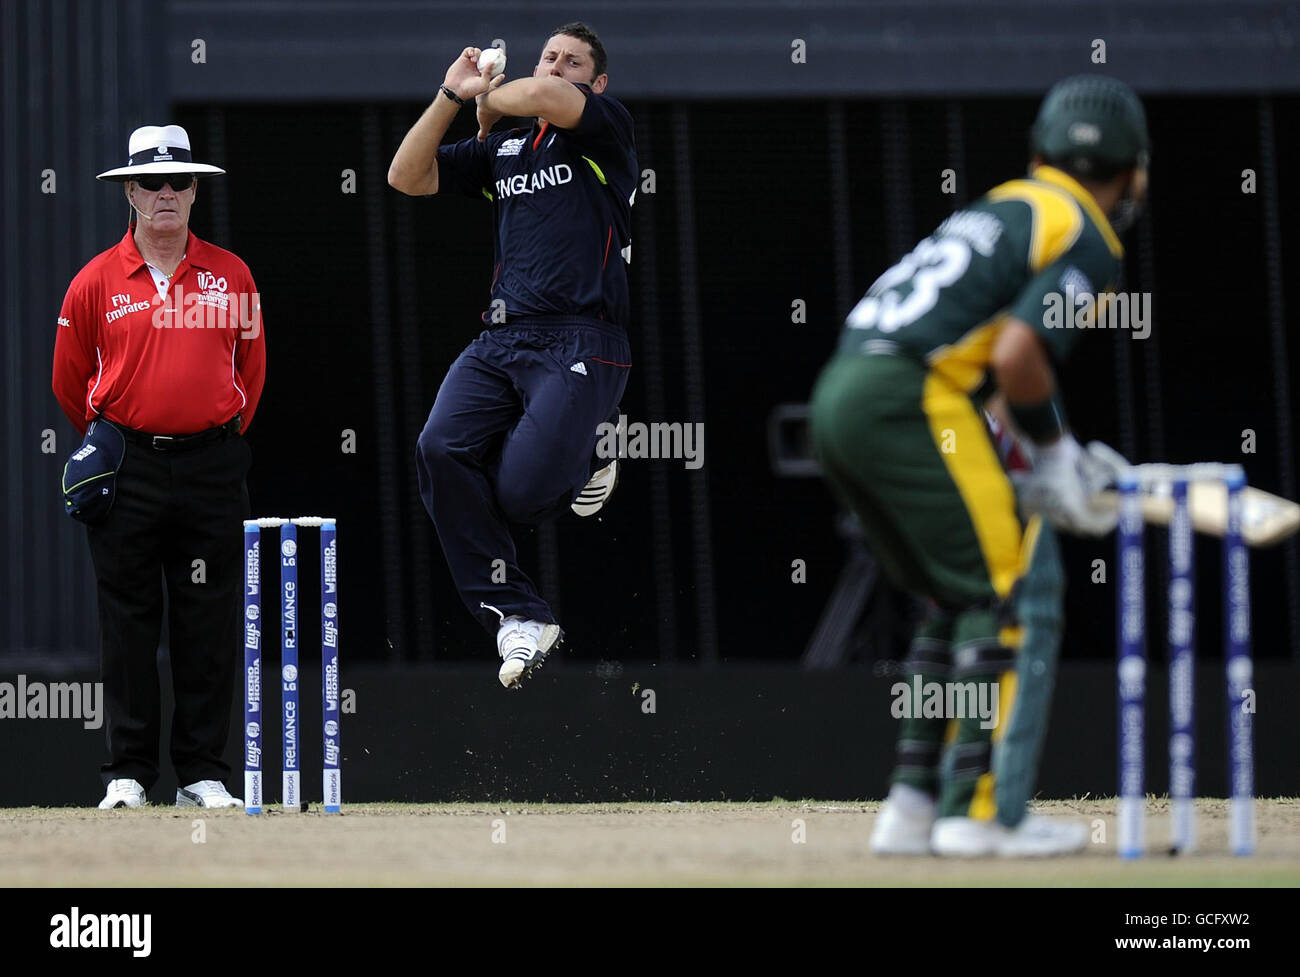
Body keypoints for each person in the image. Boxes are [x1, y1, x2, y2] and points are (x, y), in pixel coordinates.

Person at [809, 75, 1149, 856]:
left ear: (1040, 149)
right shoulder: (1088, 233)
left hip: (846, 391)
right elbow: (1019, 353)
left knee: (949, 596)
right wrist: (1060, 457)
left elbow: (992, 376)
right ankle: (982, 813)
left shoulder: (1007, 204)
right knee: (1005, 590)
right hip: (911, 400)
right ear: (1132, 170)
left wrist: (1034, 456)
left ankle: (913, 805)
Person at [389, 22, 636, 689]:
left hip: (583, 336)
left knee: (523, 496)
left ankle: (593, 446)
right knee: (439, 448)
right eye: (549, 55)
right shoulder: (502, 152)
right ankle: (518, 614)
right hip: (502, 338)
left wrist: (493, 99)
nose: (557, 66)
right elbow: (406, 175)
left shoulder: (604, 129)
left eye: (573, 61)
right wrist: (451, 95)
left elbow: (548, 99)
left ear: (598, 81)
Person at [52, 124, 266, 809]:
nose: (166, 193)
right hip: (129, 469)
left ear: (196, 189)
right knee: (128, 623)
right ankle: (129, 773)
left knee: (207, 620)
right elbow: (70, 381)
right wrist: (114, 441)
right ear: (130, 192)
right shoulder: (94, 281)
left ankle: (202, 772)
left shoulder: (232, 273)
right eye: (152, 182)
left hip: (210, 465)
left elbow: (250, 372)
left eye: (179, 181)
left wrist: (212, 436)